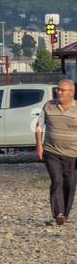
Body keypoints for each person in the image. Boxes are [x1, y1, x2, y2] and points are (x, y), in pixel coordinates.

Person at [35, 77, 77, 226]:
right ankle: (58, 213)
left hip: (72, 154)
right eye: (57, 89)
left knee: (70, 184)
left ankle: (64, 213)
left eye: (62, 90)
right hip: (51, 151)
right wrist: (39, 145)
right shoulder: (48, 106)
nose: (58, 92)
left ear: (71, 92)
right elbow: (39, 126)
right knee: (57, 180)